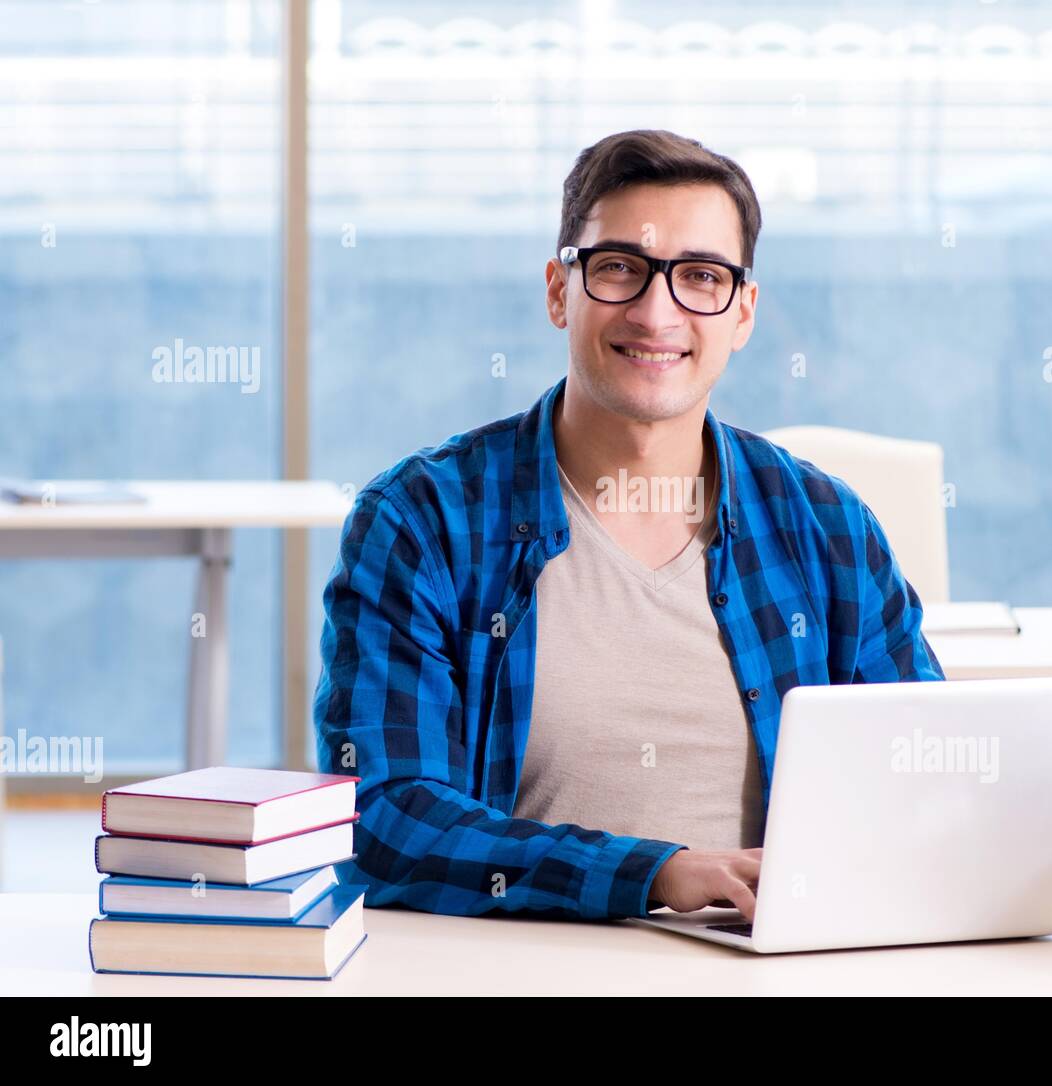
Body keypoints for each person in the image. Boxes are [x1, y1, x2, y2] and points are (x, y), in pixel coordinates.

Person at [313, 129, 944, 925]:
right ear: (557, 290)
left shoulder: (828, 527)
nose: (656, 312)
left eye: (701, 277)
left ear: (743, 312)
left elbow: (920, 780)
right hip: (508, 972)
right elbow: (384, 816)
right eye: (618, 269)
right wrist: (653, 874)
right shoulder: (421, 521)